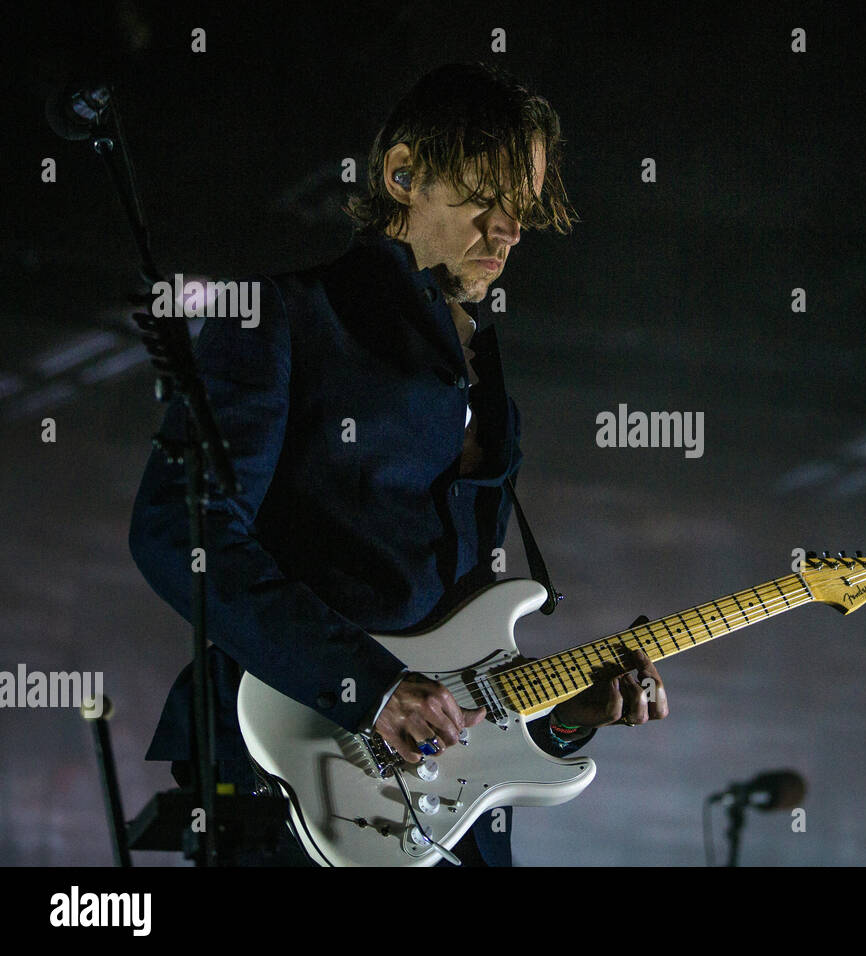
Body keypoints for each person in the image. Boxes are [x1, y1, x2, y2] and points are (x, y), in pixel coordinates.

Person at [128, 61, 667, 867]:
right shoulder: (286, 317)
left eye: (521, 207)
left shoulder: (485, 376)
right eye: (484, 198)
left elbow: (461, 645)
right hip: (295, 773)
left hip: (449, 813)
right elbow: (182, 532)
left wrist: (561, 717)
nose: (509, 230)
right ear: (402, 174)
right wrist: (368, 686)